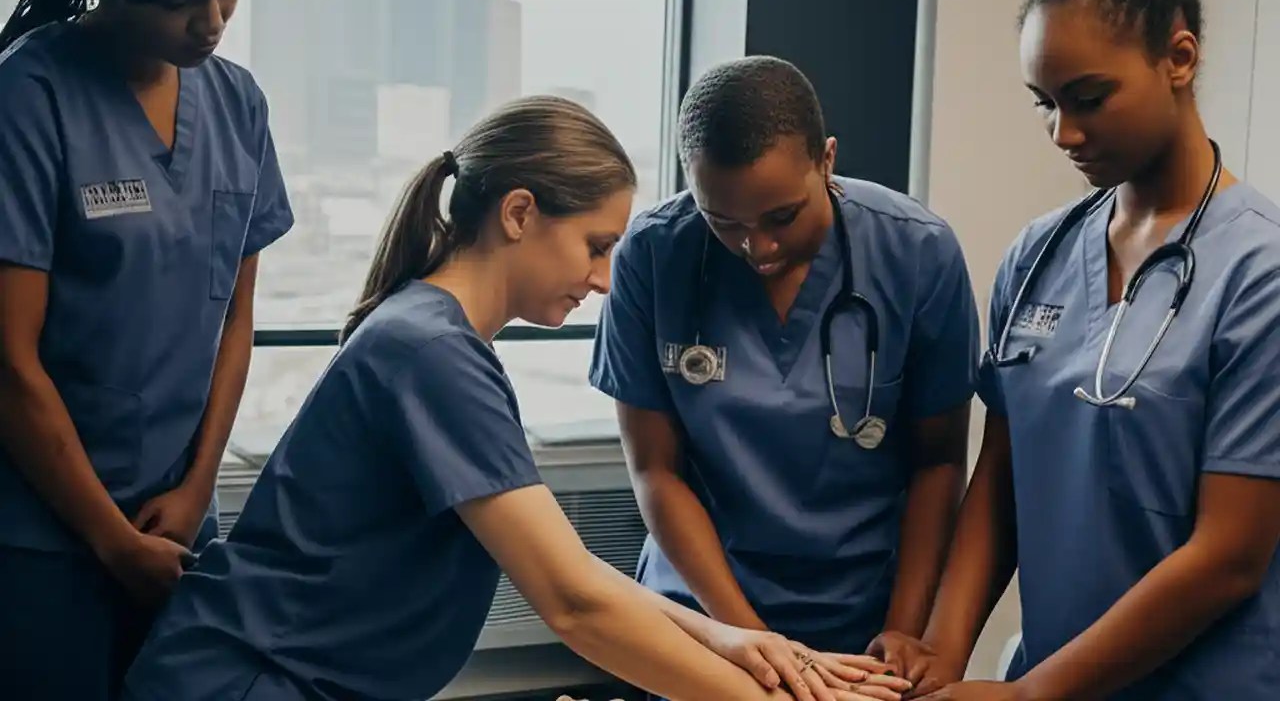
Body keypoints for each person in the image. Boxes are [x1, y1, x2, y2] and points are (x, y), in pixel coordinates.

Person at [121, 95, 909, 701]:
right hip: (243, 681)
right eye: (596, 246)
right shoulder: (430, 352)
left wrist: (728, 640)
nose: (605, 279)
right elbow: (572, 604)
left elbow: (577, 572)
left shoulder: (435, 337)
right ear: (520, 213)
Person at [872, 0, 1280, 699]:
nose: (1064, 132)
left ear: (1178, 58)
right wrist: (941, 648)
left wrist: (1032, 696)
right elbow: (1001, 474)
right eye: (1044, 101)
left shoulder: (1259, 274)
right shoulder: (1039, 256)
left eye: (1088, 98)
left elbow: (1230, 555)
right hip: (1052, 673)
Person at [589, 54, 979, 699]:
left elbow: (937, 462)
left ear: (826, 159)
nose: (757, 248)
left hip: (861, 622)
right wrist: (749, 643)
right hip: (704, 619)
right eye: (725, 222)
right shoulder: (655, 254)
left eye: (781, 217)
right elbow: (655, 469)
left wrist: (908, 628)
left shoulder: (916, 252)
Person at [0, 0, 292, 699]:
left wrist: (197, 491)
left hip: (179, 526)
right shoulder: (28, 95)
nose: (213, 20)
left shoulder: (239, 104)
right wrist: (112, 540)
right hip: (46, 534)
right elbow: (8, 362)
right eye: (181, 0)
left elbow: (235, 318)